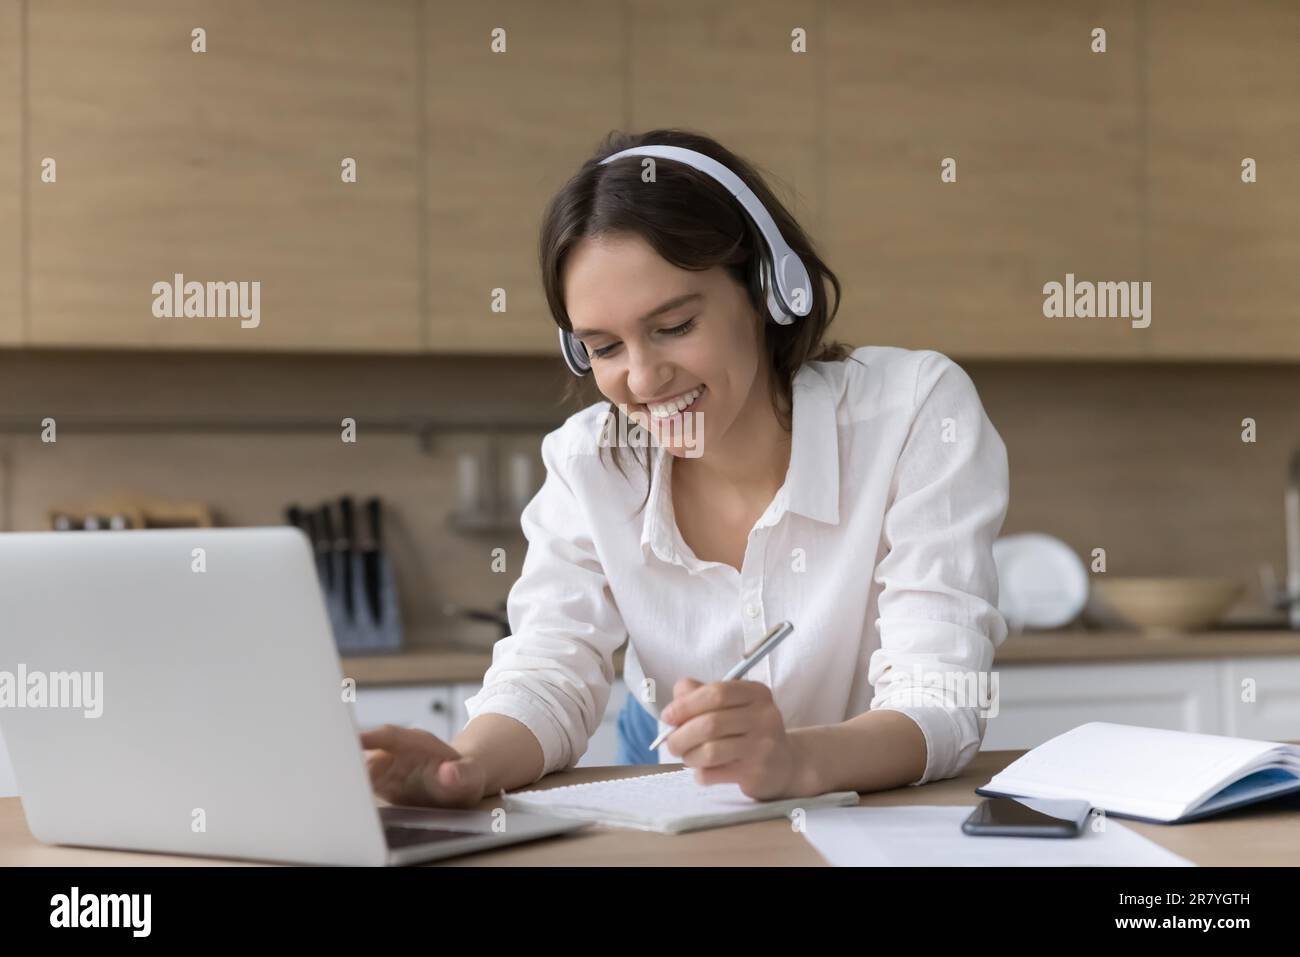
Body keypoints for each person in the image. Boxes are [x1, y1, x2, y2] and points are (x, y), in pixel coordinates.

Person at [362, 128, 1009, 808]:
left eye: (673, 326)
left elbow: (940, 695)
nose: (643, 378)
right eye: (606, 346)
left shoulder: (913, 410)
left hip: (867, 803)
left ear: (768, 290)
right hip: (675, 794)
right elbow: (548, 672)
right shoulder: (589, 463)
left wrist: (793, 758)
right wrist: (464, 765)